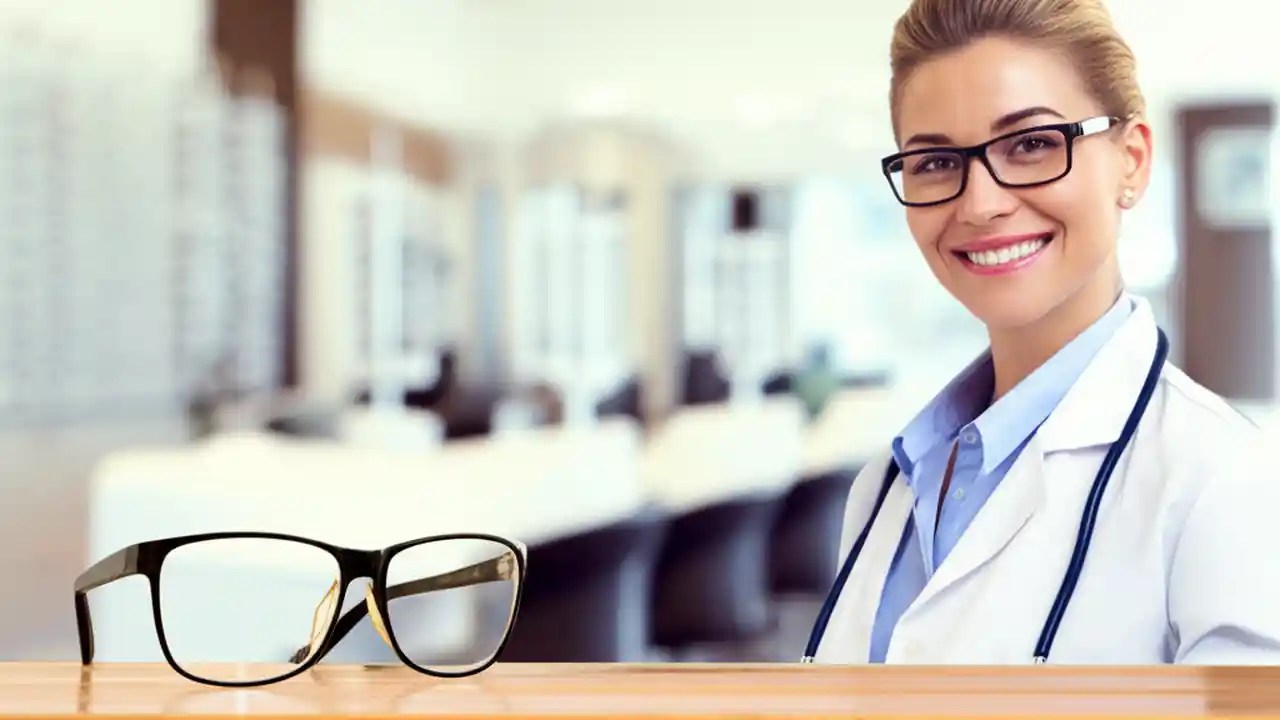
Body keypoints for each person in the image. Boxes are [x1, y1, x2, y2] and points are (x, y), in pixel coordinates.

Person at [806, 0, 1280, 664]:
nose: (980, 204)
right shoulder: (888, 487)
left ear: (1131, 161)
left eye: (1031, 145)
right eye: (936, 162)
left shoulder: (1227, 483)